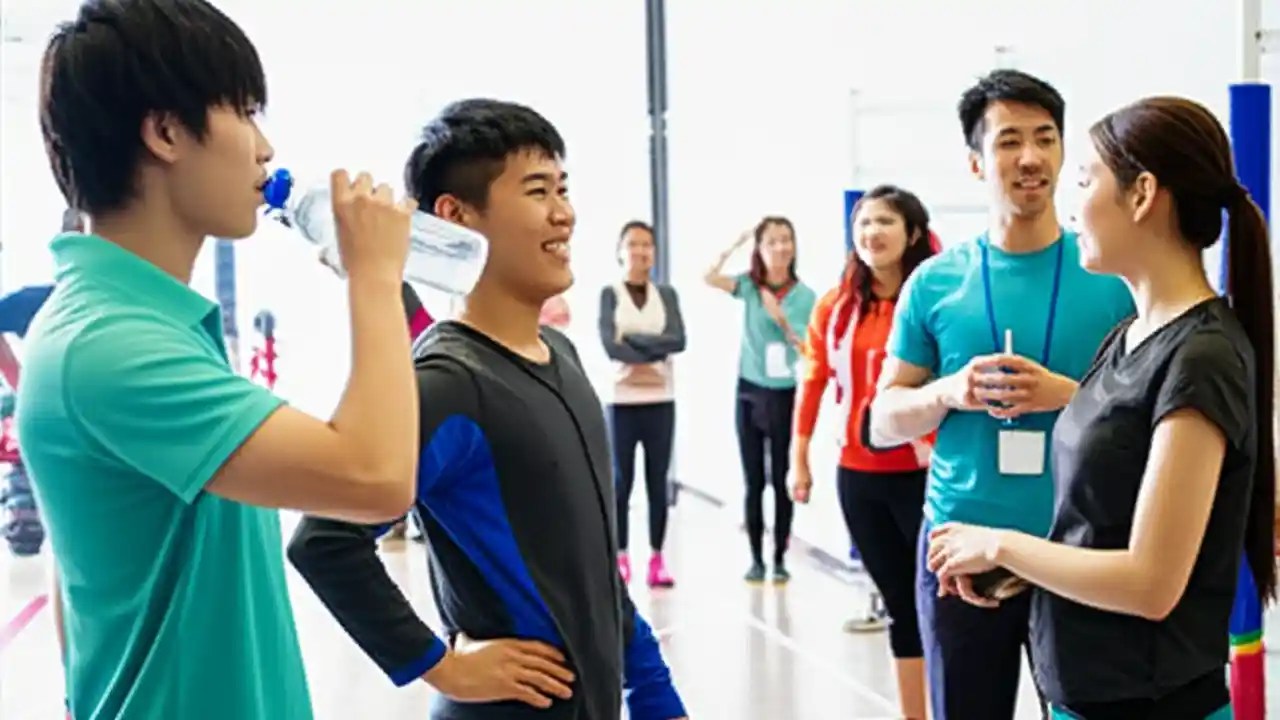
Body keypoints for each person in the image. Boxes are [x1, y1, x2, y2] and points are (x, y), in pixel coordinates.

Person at [20, 1, 421, 717]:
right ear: (167, 131)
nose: (265, 148)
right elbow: (376, 478)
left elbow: (74, 581)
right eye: (242, 110)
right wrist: (376, 280)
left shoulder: (128, 324)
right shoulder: (110, 346)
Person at [287, 99, 687, 720]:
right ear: (454, 218)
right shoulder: (448, 383)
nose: (565, 212)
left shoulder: (561, 353)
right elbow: (325, 540)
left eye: (563, 187)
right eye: (537, 190)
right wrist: (440, 666)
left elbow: (588, 570)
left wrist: (655, 693)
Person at [927, 96, 1276, 720]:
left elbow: (1151, 583)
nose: (1072, 200)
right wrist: (1012, 574)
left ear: (1142, 194)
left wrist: (1003, 545)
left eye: (1086, 180)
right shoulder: (1131, 337)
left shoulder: (1202, 358)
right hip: (1083, 693)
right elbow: (1101, 524)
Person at [869, 69, 1135, 720]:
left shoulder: (1109, 273)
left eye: (1045, 138)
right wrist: (948, 392)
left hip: (1080, 547)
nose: (1030, 157)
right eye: (1009, 140)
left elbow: (1149, 414)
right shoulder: (935, 282)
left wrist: (1067, 395)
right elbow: (882, 421)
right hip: (962, 551)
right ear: (974, 162)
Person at [791, 185, 935, 720]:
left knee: (938, 604)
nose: (872, 233)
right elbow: (813, 381)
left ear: (913, 233)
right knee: (900, 605)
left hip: (925, 474)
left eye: (885, 222)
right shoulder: (836, 307)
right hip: (860, 475)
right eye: (863, 223)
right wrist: (798, 458)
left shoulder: (931, 298)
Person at [705, 218, 817, 584]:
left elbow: (807, 350)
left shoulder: (805, 297)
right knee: (753, 480)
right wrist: (736, 240)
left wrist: (781, 320)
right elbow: (708, 275)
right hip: (749, 391)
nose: (781, 248)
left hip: (784, 394)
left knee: (781, 477)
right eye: (772, 242)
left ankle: (780, 557)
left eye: (787, 240)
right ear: (760, 248)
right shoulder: (748, 287)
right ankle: (755, 558)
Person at [598, 220, 687, 588]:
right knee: (621, 482)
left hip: (660, 400)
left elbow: (679, 340)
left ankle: (657, 557)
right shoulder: (610, 294)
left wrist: (634, 342)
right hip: (622, 402)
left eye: (647, 245)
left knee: (656, 480)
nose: (640, 251)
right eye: (633, 244)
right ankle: (620, 556)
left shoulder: (666, 294)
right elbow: (610, 346)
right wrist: (652, 346)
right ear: (620, 250)